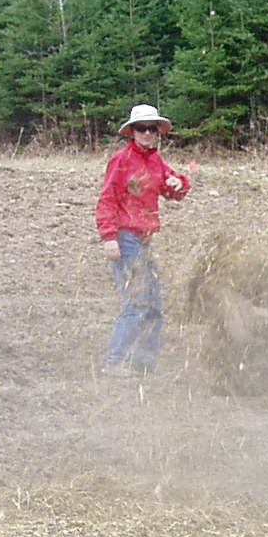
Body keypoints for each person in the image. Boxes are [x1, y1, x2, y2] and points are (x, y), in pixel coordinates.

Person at [95, 103, 192, 377]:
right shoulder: (121, 160)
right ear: (132, 132)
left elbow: (174, 189)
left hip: (144, 241)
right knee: (137, 302)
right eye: (142, 128)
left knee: (154, 306)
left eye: (153, 128)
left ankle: (143, 363)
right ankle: (115, 362)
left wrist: (179, 184)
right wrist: (108, 236)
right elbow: (107, 199)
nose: (148, 133)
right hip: (126, 238)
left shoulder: (156, 162)